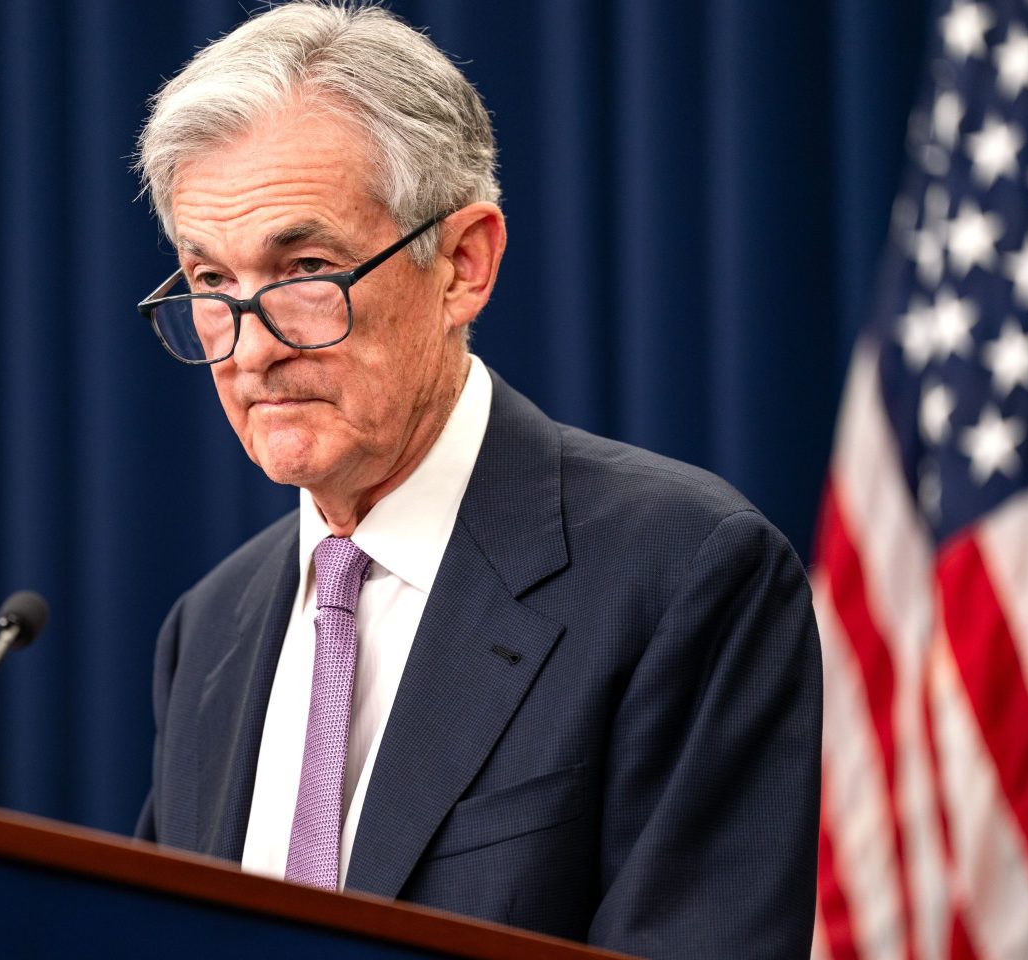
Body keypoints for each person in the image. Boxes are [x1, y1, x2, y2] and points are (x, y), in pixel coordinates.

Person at [132, 3, 821, 956]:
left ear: (463, 264)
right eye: (211, 283)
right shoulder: (209, 627)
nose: (250, 348)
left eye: (306, 267)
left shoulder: (684, 574)